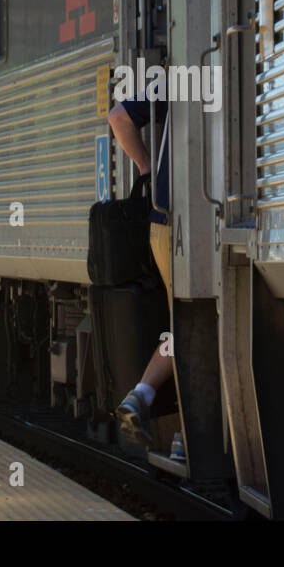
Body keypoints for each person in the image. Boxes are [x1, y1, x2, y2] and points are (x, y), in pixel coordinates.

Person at [107, 94, 185, 463]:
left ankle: (141, 395)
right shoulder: (204, 72)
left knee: (181, 323)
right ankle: (187, 436)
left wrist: (146, 170)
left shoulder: (181, 78)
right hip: (193, 226)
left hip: (162, 224)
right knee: (200, 324)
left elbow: (119, 116)